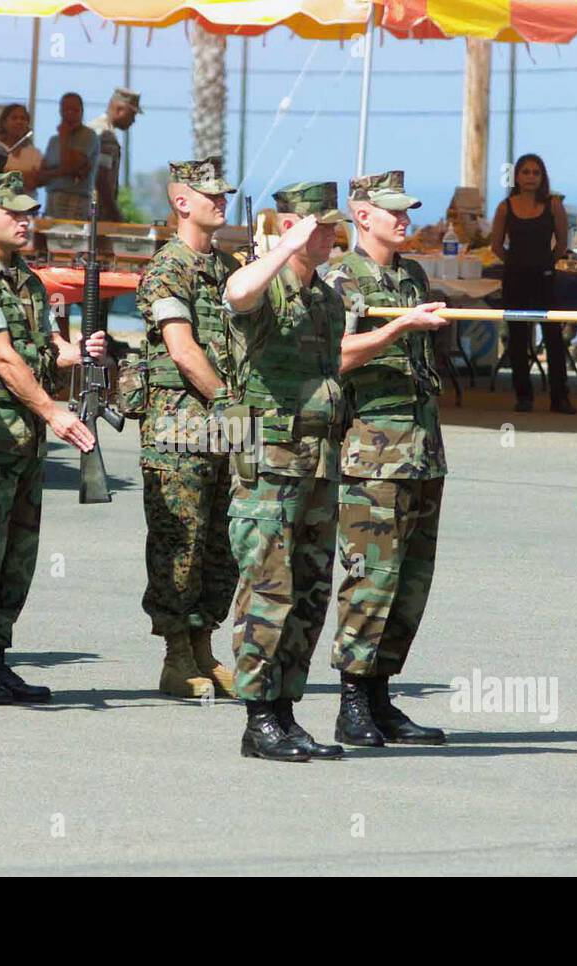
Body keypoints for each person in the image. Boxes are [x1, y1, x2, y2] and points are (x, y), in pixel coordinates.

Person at [0, 170, 107, 705]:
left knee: (18, 557)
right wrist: (52, 412)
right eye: (13, 213)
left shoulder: (28, 282)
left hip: (24, 443)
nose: (25, 220)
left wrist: (80, 352)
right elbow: (2, 356)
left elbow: (44, 350)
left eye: (27, 212)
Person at [221, 181, 350, 763]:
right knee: (267, 591)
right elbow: (237, 293)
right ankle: (257, 718)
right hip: (269, 466)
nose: (331, 236)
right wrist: (280, 245)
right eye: (320, 227)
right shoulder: (266, 287)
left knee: (309, 591)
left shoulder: (326, 298)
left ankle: (286, 710)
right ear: (296, 227)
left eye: (331, 227)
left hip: (318, 465)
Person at [325, 170, 450, 746]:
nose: (405, 220)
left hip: (421, 452)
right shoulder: (341, 278)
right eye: (392, 211)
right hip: (373, 455)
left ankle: (381, 695)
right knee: (370, 578)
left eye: (407, 210)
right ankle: (352, 700)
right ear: (362, 216)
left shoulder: (412, 276)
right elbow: (336, 356)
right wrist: (401, 326)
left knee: (409, 582)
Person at [135, 156, 238, 700]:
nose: (221, 201)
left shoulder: (225, 268)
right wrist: (230, 402)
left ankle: (204, 646)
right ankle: (176, 654)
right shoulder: (167, 269)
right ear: (182, 202)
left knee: (222, 545)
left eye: (225, 194)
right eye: (211, 195)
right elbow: (182, 350)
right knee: (182, 545)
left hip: (223, 432)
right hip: (181, 432)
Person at [489, 153, 574, 414]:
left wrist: (544, 262)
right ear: (516, 176)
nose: (530, 177)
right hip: (515, 278)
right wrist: (516, 262)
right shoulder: (505, 207)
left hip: (545, 276)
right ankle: (523, 395)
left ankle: (560, 397)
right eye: (525, 172)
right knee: (517, 337)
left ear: (543, 177)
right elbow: (496, 245)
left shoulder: (554, 205)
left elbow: (562, 243)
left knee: (553, 338)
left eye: (536, 173)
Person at [39, 93, 98, 220]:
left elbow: (71, 165)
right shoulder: (54, 140)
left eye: (75, 110)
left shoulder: (88, 135)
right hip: (52, 197)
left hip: (75, 198)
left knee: (68, 237)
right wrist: (61, 172)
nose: (70, 114)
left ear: (82, 112)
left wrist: (65, 137)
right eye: (66, 110)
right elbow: (42, 174)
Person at [87, 87, 141, 222]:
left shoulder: (94, 128)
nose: (133, 121)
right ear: (119, 109)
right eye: (132, 115)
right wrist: (114, 212)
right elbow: (101, 176)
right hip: (94, 212)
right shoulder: (105, 136)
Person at [0, 104, 42, 192]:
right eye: (14, 118)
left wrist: (5, 173)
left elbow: (33, 183)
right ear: (4, 122)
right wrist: (26, 175)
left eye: (23, 118)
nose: (19, 122)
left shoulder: (35, 153)